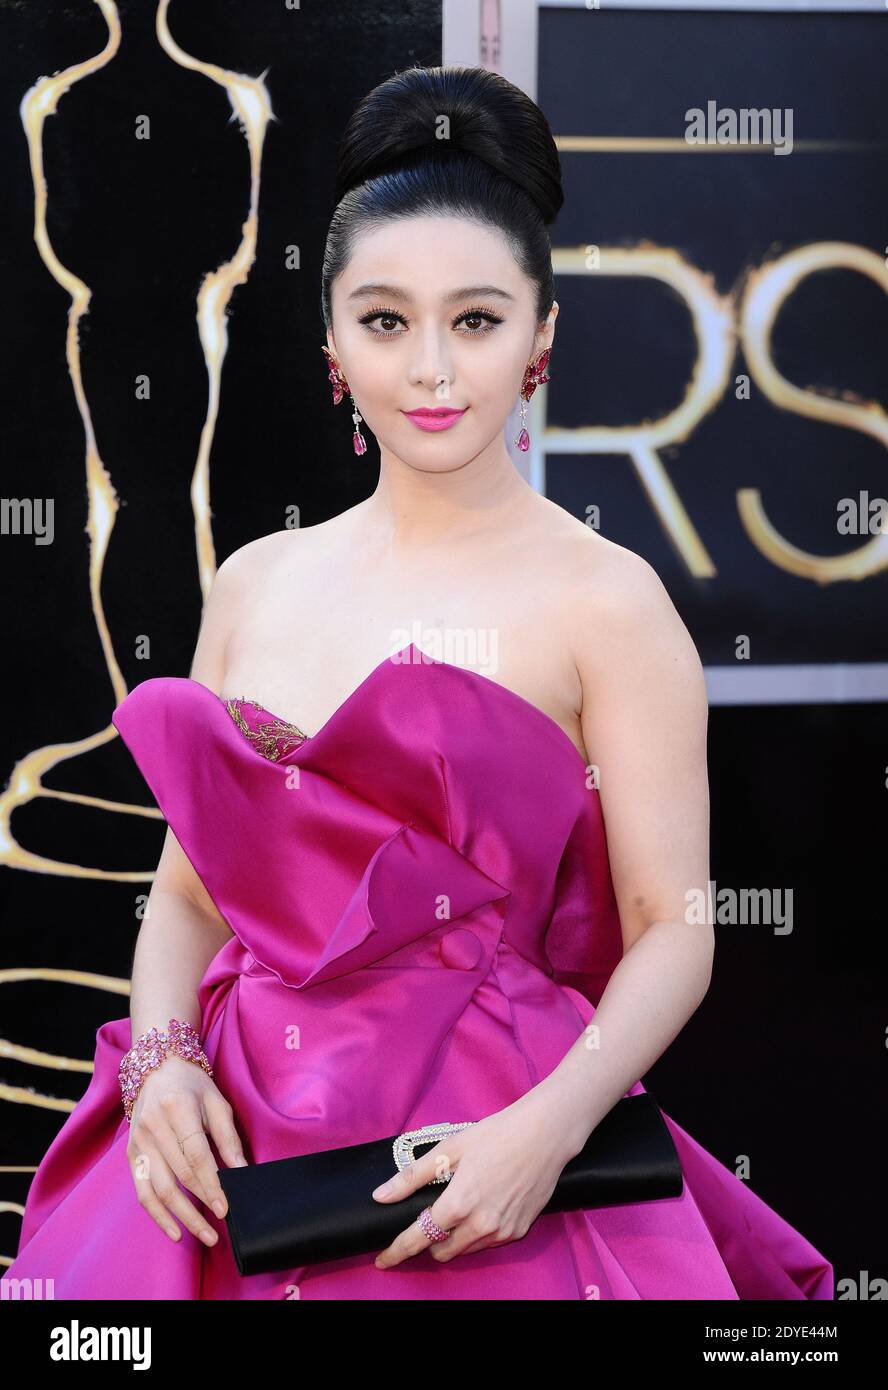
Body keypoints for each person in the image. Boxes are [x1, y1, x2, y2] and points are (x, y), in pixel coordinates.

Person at [8, 64, 833, 1300]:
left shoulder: (608, 602)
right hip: (238, 1141)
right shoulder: (254, 580)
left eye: (479, 319)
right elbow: (189, 892)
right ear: (332, 338)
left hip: (492, 1133)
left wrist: (545, 1136)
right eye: (388, 321)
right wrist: (163, 1061)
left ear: (542, 334)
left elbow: (676, 930)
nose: (434, 370)